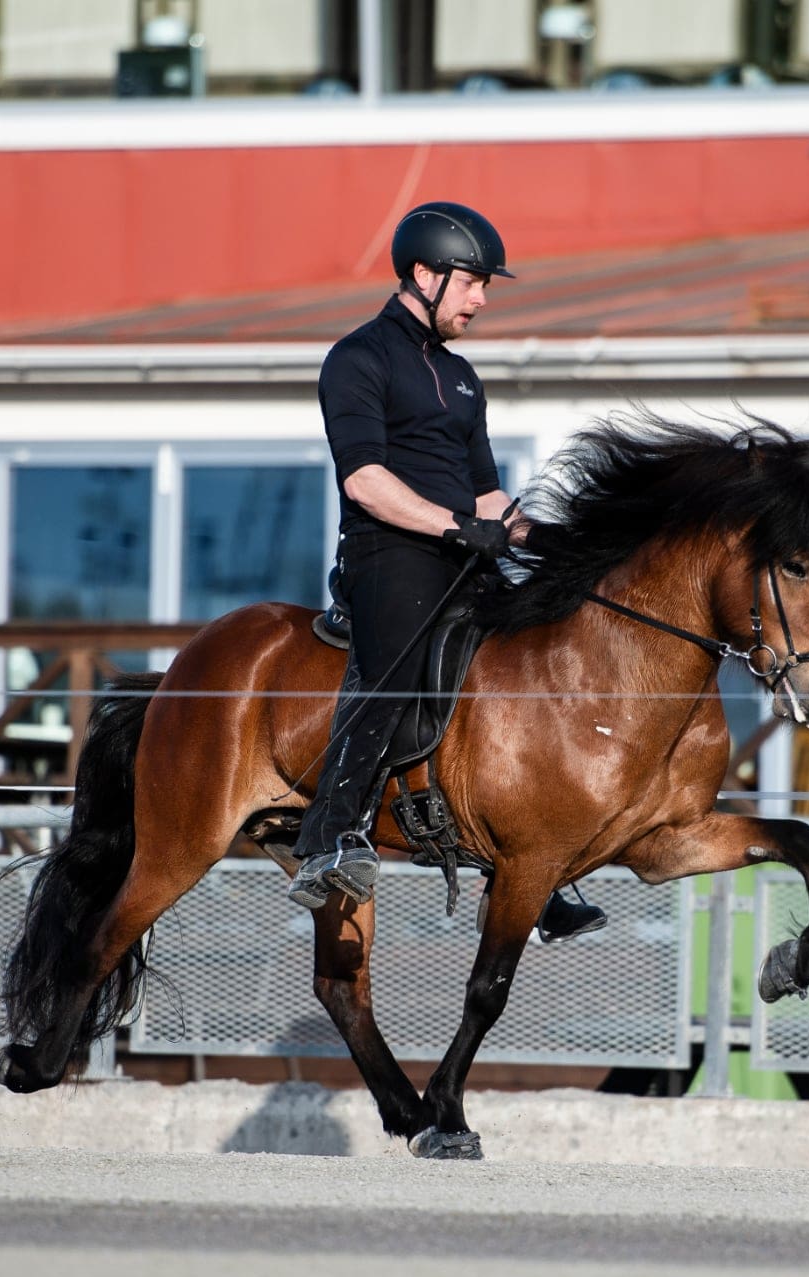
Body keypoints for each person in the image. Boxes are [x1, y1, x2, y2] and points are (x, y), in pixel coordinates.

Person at [287, 201, 604, 943]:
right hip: (388, 554)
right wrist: (457, 527)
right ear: (424, 275)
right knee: (395, 667)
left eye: (485, 285)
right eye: (471, 283)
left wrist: (547, 538)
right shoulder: (357, 359)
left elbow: (488, 495)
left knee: (537, 656)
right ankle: (329, 837)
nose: (481, 299)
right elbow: (365, 481)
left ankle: (535, 866)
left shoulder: (462, 378)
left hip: (464, 554)